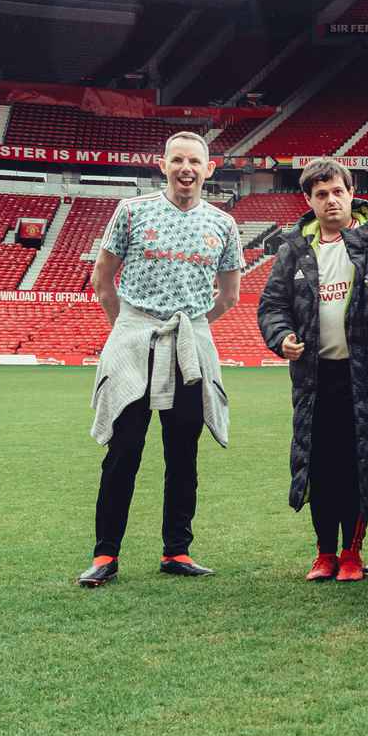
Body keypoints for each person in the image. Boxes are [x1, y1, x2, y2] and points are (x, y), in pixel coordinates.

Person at [81, 131, 242, 588]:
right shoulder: (131, 212)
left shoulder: (223, 225)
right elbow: (103, 279)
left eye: (195, 160)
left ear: (209, 168)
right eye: (178, 160)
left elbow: (229, 296)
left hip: (188, 340)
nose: (186, 168)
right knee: (123, 449)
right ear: (163, 164)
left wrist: (191, 324)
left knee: (183, 453)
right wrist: (126, 327)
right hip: (135, 335)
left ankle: (177, 549)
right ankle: (106, 554)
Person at [257, 158, 368, 584]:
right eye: (321, 194)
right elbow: (272, 307)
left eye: (337, 191)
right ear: (309, 200)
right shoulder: (294, 249)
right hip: (316, 379)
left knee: (359, 463)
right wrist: (282, 338)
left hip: (366, 376)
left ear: (351, 193)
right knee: (320, 465)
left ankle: (353, 553)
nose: (331, 200)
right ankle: (324, 552)